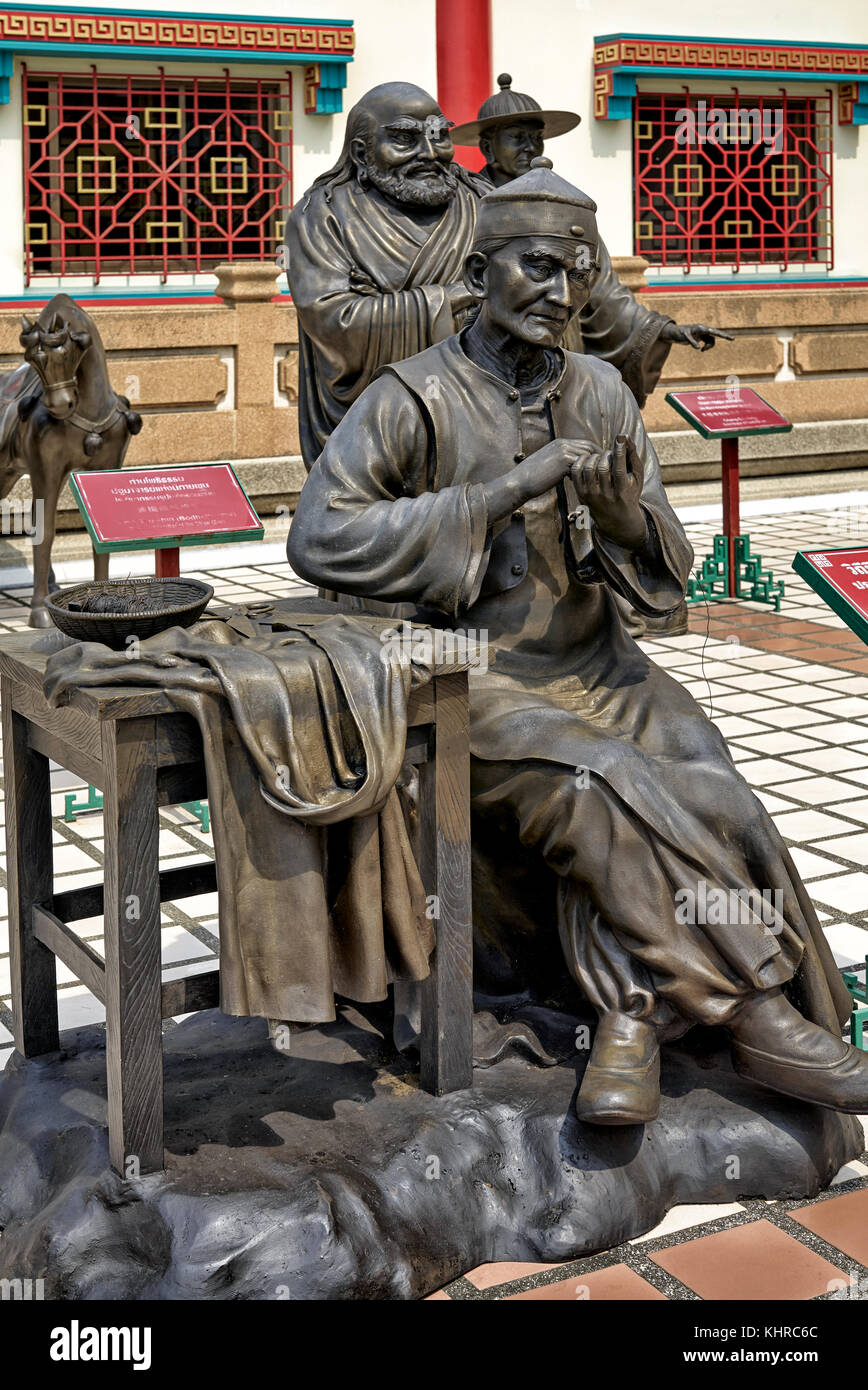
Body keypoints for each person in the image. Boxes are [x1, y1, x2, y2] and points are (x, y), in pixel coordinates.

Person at [288, 158, 866, 1127]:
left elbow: (667, 561)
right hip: (471, 674)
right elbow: (320, 535)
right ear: (479, 275)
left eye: (580, 273)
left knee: (707, 776)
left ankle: (631, 1016)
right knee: (599, 781)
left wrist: (625, 516)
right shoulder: (410, 396)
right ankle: (752, 1007)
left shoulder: (600, 389)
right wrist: (500, 495)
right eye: (539, 270)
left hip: (599, 663)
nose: (563, 293)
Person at [451, 74, 731, 405]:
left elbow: (602, 290)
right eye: (516, 137)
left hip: (560, 357)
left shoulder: (564, 208)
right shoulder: (467, 207)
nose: (529, 147)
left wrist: (666, 330)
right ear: (488, 147)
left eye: (536, 138)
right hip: (488, 367)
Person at [284, 81, 482, 469]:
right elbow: (334, 320)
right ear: (361, 153)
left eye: (439, 136)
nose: (429, 153)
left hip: (480, 414)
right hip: (374, 420)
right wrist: (455, 300)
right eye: (406, 139)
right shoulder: (322, 214)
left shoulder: (481, 201)